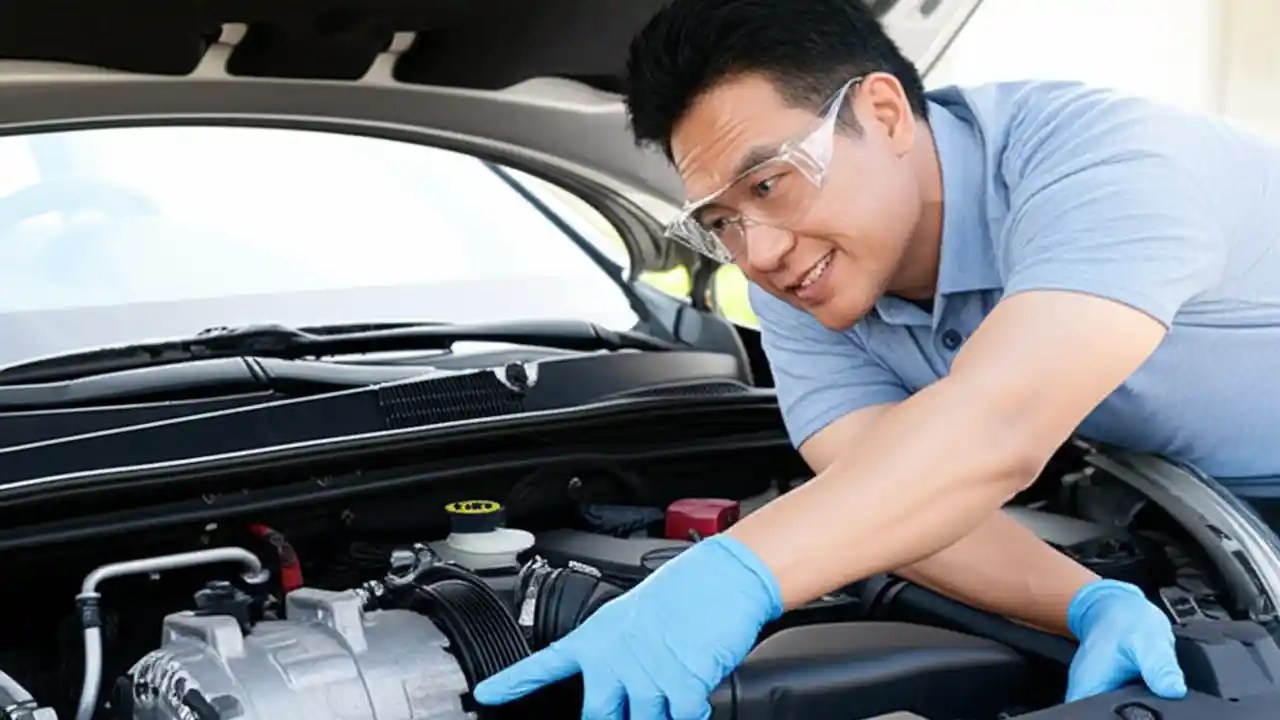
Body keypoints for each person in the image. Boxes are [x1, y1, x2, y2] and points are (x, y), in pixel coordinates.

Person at [475, 0, 1280, 717]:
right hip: (1187, 504)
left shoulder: (1106, 167)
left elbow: (999, 428)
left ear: (886, 114)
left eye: (767, 185)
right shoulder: (808, 286)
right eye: (719, 222)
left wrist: (734, 575)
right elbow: (881, 491)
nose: (759, 252)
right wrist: (1085, 602)